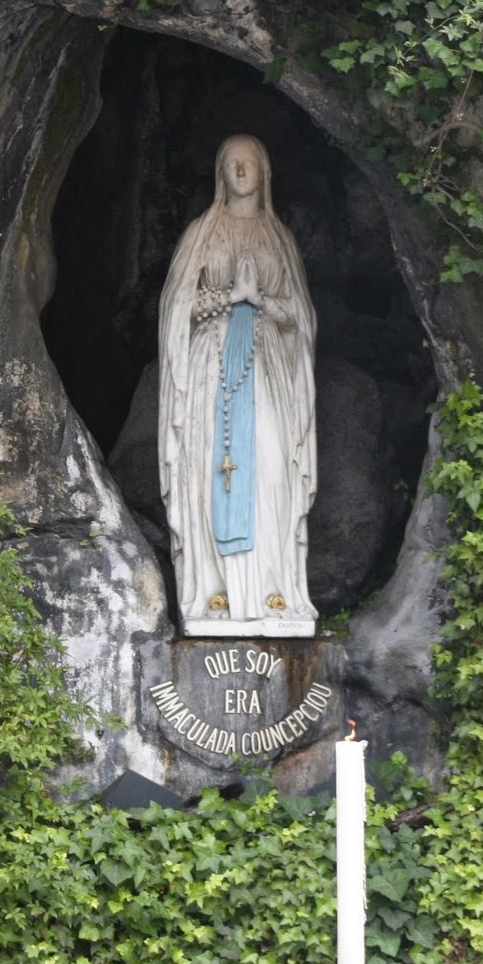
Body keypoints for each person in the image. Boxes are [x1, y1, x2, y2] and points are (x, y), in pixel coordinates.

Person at [158, 134, 317, 634]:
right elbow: (175, 309)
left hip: (266, 367)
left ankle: (275, 592)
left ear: (265, 173)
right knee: (209, 469)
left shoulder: (280, 240)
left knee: (271, 466)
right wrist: (229, 297)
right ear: (219, 173)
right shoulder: (200, 235)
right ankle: (215, 592)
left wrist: (261, 301)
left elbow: (303, 318)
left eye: (249, 163)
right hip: (210, 368)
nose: (241, 171)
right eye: (232, 163)